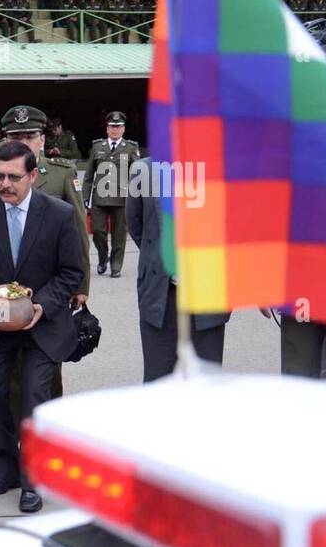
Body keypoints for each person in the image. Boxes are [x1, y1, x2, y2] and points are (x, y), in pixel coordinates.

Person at [0, 141, 84, 514]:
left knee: (33, 397)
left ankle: (33, 479)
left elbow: (71, 271)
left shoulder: (58, 214)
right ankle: (5, 469)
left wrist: (40, 304)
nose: (5, 184)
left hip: (43, 328)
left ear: (32, 175)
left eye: (14, 176)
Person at [127, 157, 228, 380]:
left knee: (205, 385)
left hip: (207, 298)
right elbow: (137, 226)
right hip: (161, 298)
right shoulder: (144, 170)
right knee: (158, 383)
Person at [81, 111, 140, 278]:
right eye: (112, 127)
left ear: (123, 129)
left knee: (119, 235)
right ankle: (102, 257)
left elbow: (137, 174)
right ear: (107, 129)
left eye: (118, 127)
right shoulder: (98, 147)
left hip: (122, 199)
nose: (115, 130)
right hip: (100, 197)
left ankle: (116, 266)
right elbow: (89, 175)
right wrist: (85, 197)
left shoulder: (130, 148)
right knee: (98, 231)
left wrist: (137, 196)